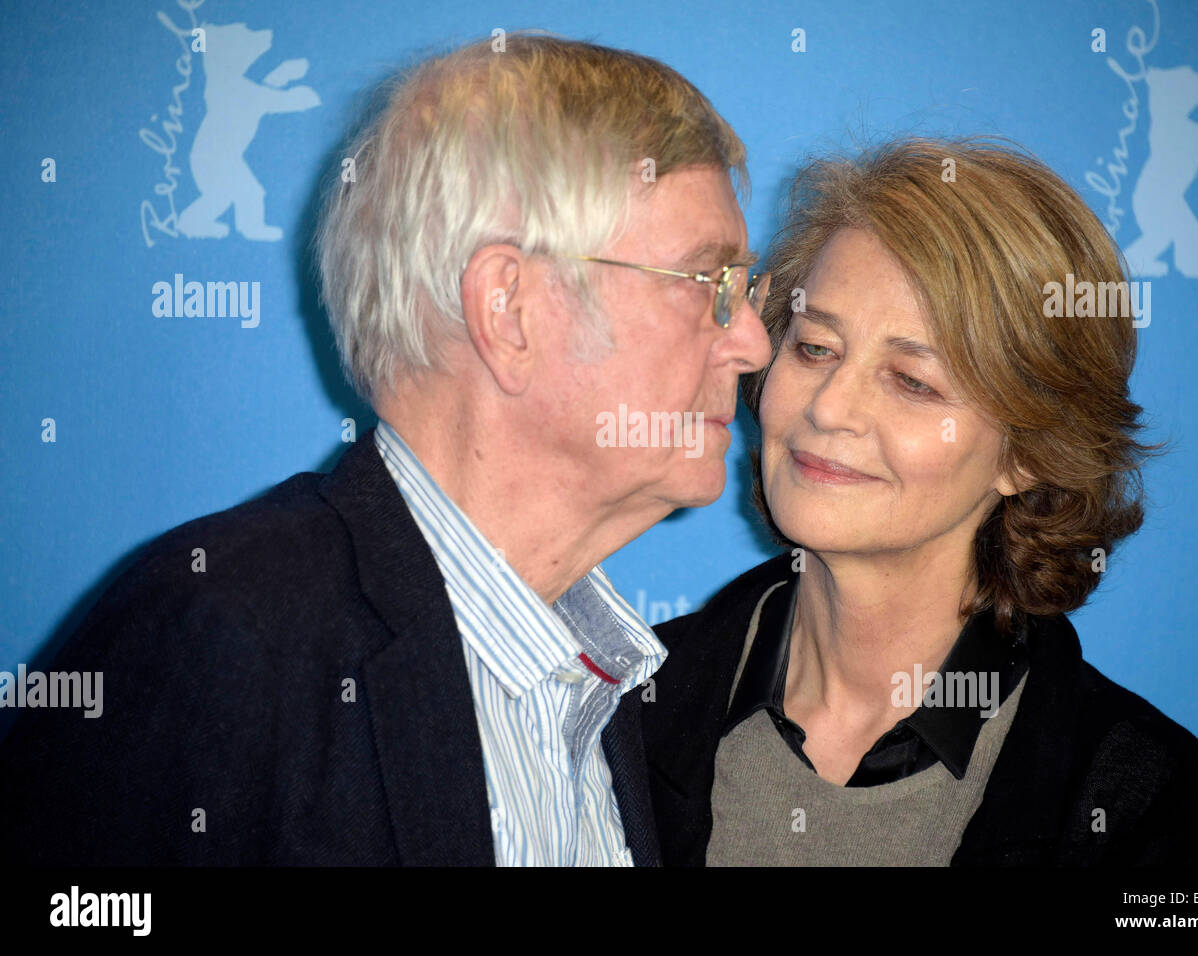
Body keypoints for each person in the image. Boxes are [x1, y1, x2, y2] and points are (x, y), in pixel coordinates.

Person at [0, 32, 771, 866]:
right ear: (507, 311)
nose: (754, 343)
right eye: (710, 283)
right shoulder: (219, 637)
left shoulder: (604, 684)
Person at [643, 137, 1198, 866]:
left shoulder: (1136, 796)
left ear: (1027, 454)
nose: (829, 409)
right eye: (816, 348)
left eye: (913, 382)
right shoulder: (622, 708)